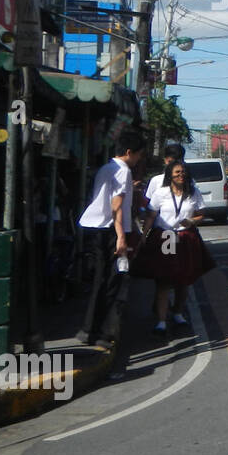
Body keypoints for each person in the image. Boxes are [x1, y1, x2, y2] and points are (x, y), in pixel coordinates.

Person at [77, 130, 146, 354]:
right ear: (129, 152)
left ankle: (89, 330)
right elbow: (116, 206)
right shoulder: (123, 171)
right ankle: (103, 333)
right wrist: (121, 238)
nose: (139, 160)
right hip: (109, 230)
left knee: (100, 280)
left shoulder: (107, 168)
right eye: (138, 155)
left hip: (95, 227)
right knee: (113, 282)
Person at [135, 160, 216, 332]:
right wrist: (143, 236)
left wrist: (192, 220)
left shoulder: (193, 193)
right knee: (165, 278)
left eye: (183, 172)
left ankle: (178, 313)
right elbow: (150, 216)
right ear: (170, 175)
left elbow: (201, 214)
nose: (181, 175)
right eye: (177, 172)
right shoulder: (161, 193)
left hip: (186, 238)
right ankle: (162, 321)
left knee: (183, 279)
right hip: (166, 237)